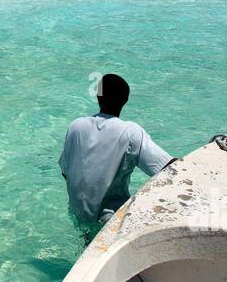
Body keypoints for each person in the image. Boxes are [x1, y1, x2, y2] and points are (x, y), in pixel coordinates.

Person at [58, 73, 175, 236]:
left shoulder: (75, 126)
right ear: (125, 100)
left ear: (98, 97)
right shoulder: (130, 132)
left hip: (78, 215)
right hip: (110, 223)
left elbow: (65, 172)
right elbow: (168, 170)